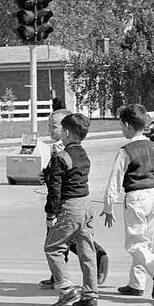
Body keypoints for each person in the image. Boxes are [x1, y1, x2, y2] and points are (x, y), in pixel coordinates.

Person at [101, 104, 154, 299]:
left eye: (122, 125)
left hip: (136, 198)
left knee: (134, 244)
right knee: (145, 243)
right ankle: (136, 284)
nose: (121, 129)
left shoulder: (126, 151)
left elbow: (115, 179)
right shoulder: (152, 146)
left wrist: (108, 206)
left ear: (128, 125)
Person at [39, 109, 109, 290]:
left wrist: (50, 214)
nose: (52, 130)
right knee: (86, 251)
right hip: (86, 204)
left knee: (53, 247)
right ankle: (90, 294)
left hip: (68, 206)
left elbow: (55, 188)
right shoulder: (82, 153)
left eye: (56, 127)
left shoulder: (61, 155)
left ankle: (65, 287)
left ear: (66, 131)